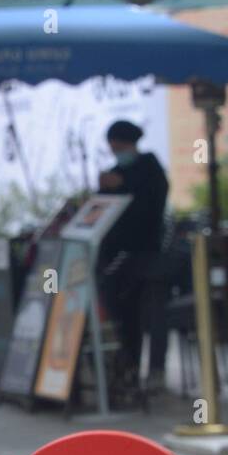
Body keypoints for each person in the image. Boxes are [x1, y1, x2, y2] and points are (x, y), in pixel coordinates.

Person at [96, 119, 169, 397]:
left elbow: (151, 210)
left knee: (153, 313)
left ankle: (156, 370)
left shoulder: (150, 170)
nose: (117, 152)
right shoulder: (114, 174)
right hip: (117, 261)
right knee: (124, 316)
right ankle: (128, 369)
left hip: (148, 257)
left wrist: (123, 186)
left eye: (120, 146)